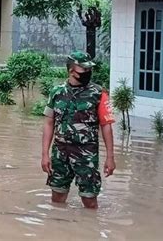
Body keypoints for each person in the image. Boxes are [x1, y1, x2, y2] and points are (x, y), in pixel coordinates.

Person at [41, 51, 116, 209]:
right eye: (84, 69)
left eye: (89, 69)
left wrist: (110, 157)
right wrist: (45, 155)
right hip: (60, 152)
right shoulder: (57, 92)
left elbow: (106, 126)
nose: (88, 73)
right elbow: (49, 123)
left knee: (89, 200)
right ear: (71, 71)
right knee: (57, 197)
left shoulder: (98, 93)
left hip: (86, 153)